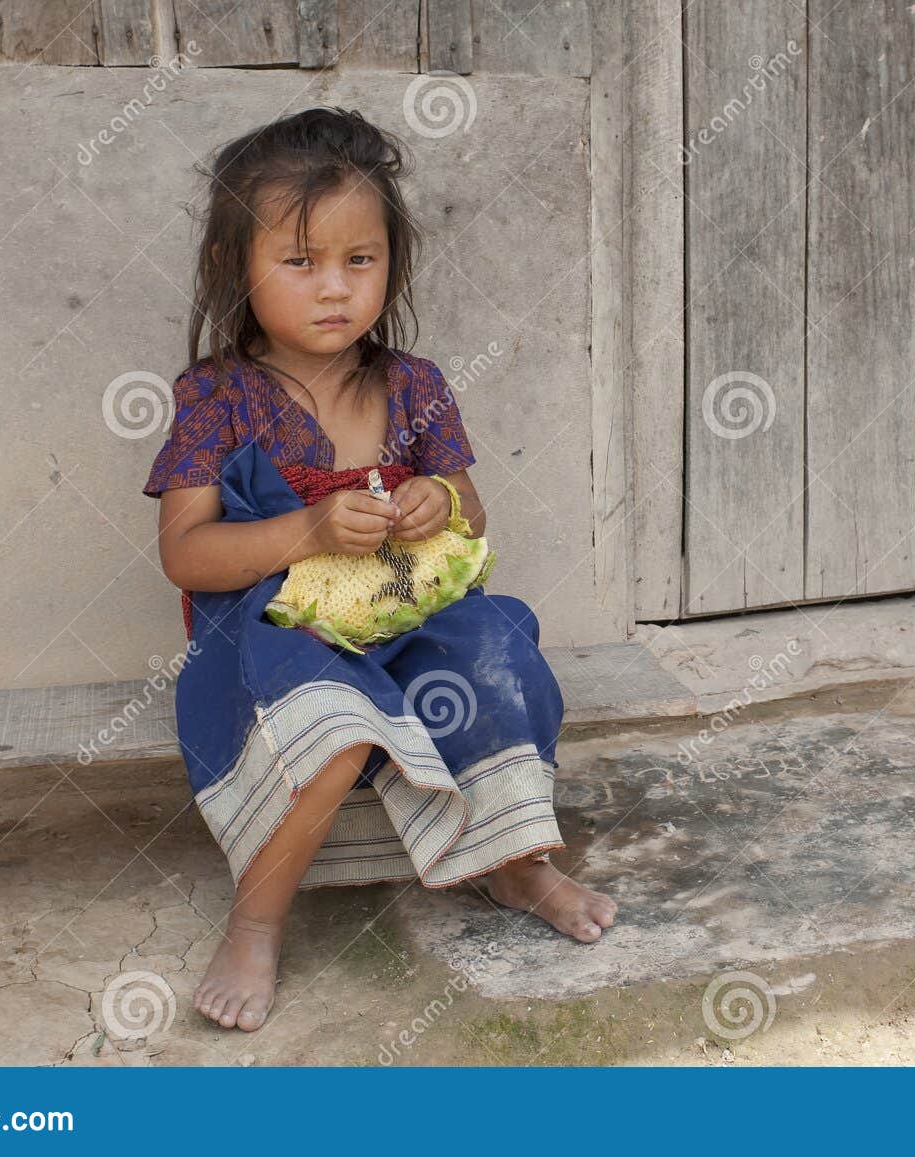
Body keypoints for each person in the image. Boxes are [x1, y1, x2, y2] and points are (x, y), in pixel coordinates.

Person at [141, 106, 616, 1033]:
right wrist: (305, 528)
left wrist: (441, 498)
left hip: (404, 613)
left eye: (360, 261)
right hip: (273, 631)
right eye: (300, 262)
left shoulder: (415, 386)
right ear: (233, 268)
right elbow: (185, 554)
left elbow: (474, 521)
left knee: (490, 655)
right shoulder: (217, 398)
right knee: (334, 723)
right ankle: (258, 919)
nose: (334, 289)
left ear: (390, 265)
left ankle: (514, 864)